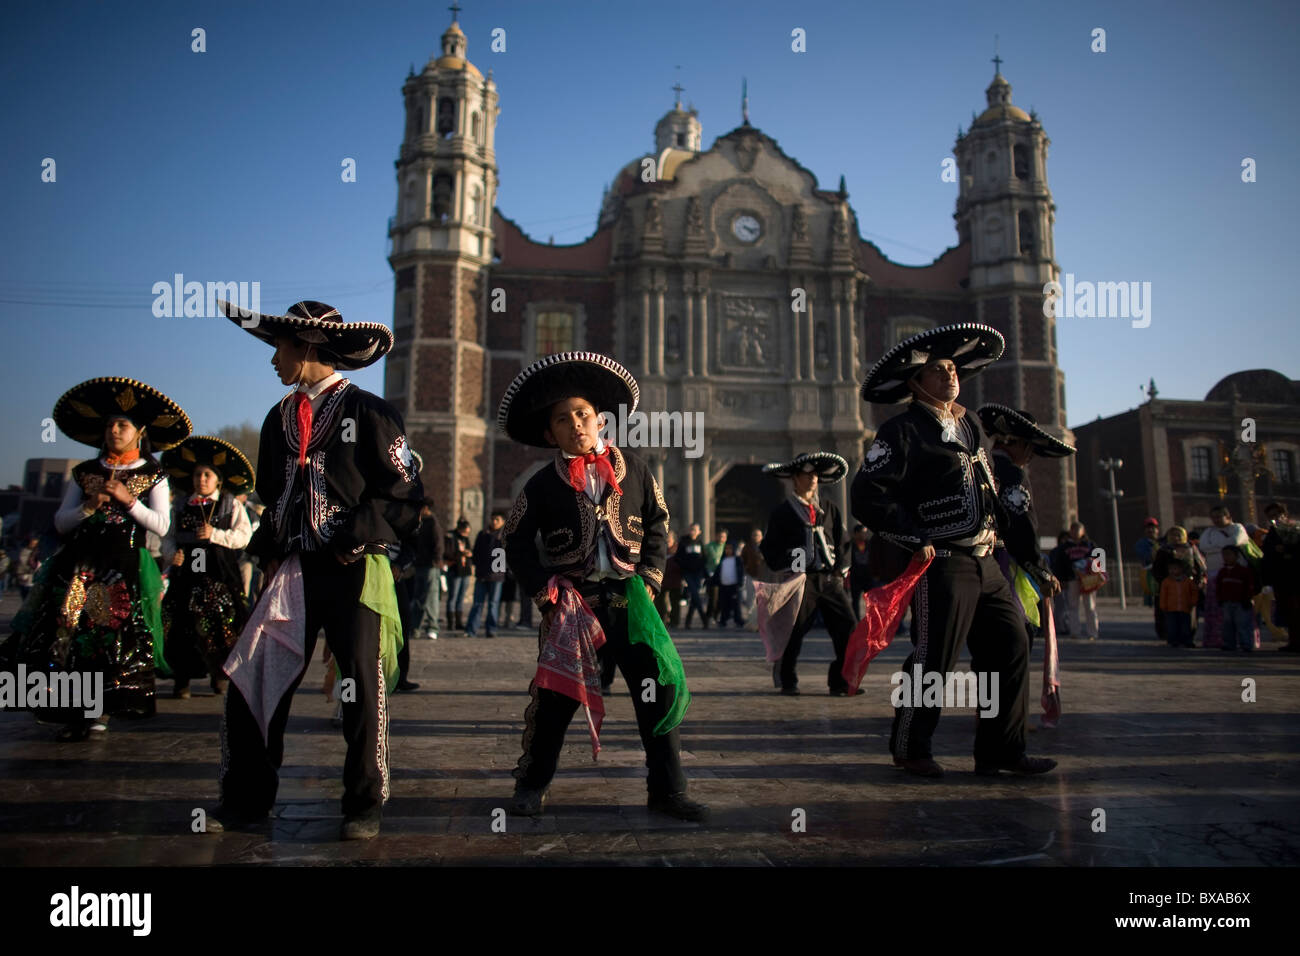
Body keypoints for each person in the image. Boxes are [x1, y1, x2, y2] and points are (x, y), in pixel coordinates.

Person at [209, 298, 423, 840]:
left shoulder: (371, 413)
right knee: (253, 676)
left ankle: (362, 804)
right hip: (294, 572)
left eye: (279, 347)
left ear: (307, 347)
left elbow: (403, 494)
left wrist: (353, 536)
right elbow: (271, 494)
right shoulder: (277, 419)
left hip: (353, 568)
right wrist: (269, 546)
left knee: (360, 684)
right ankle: (247, 798)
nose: (273, 359)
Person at [498, 350, 706, 821]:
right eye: (563, 419)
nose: (576, 424)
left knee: (657, 691)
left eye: (583, 415)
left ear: (599, 420)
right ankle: (532, 784)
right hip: (576, 605)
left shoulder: (634, 466)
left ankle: (668, 791)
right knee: (556, 700)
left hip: (631, 601)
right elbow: (514, 543)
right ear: (550, 432)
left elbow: (658, 522)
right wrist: (542, 591)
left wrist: (651, 578)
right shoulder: (539, 485)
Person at [853, 322, 1056, 777]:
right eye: (938, 370)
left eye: (953, 369)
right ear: (915, 383)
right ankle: (911, 746)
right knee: (934, 656)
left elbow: (995, 493)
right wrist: (916, 537)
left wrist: (1026, 557)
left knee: (1012, 642)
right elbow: (867, 496)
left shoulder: (973, 427)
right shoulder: (901, 431)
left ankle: (1001, 751)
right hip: (941, 562)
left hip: (987, 563)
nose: (950, 375)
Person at [0, 377, 190, 741]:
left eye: (123, 425)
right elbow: (61, 520)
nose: (114, 431)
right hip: (77, 566)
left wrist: (128, 500)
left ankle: (99, 708)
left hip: (120, 568)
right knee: (67, 633)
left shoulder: (154, 475)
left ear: (140, 432)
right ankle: (67, 709)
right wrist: (88, 506)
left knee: (106, 638)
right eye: (109, 425)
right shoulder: (85, 473)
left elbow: (162, 524)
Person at [159, 437, 255, 699]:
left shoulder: (229, 504)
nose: (201, 479)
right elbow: (166, 537)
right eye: (197, 474)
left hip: (218, 574)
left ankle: (219, 675)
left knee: (220, 625)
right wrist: (171, 554)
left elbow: (243, 536)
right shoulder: (179, 505)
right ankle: (182, 678)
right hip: (186, 574)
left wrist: (215, 534)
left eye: (207, 475)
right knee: (181, 625)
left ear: (218, 480)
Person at [760, 452, 857, 696]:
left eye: (815, 475)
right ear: (795, 478)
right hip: (801, 581)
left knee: (849, 627)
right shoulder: (783, 512)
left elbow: (843, 542)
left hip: (830, 578)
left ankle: (841, 681)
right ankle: (788, 679)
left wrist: (841, 569)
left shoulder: (830, 509)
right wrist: (790, 566)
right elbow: (770, 548)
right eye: (807, 475)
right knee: (794, 631)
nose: (813, 479)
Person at [976, 405, 1072, 647]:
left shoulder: (975, 468)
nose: (1031, 455)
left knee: (985, 646)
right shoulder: (1012, 474)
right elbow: (1021, 530)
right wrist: (1041, 571)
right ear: (1012, 441)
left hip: (970, 565)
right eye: (1029, 446)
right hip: (1001, 566)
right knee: (1012, 642)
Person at [1198, 505, 1252, 649]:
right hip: (1214, 573)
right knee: (1218, 610)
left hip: (1236, 575)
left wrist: (1215, 546)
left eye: (1219, 516)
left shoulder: (1237, 528)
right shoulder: (1208, 531)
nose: (1216, 520)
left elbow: (1235, 542)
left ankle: (1245, 641)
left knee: (1240, 613)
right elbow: (1203, 546)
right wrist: (1222, 546)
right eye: (1213, 517)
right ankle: (1220, 640)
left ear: (1228, 516)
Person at [1262, 501, 1300, 652]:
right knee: (1288, 611)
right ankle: (1294, 641)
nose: (1274, 519)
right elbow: (1267, 553)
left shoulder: (1294, 530)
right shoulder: (1272, 533)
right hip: (1280, 576)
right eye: (1271, 517)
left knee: (1297, 609)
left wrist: (1288, 549)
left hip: (1295, 576)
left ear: (1284, 514)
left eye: (1277, 515)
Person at [465, 511, 506, 638]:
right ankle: (471, 629)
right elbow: (476, 553)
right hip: (482, 574)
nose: (494, 522)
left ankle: (491, 629)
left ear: (503, 521)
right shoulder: (482, 534)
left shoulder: (505, 535)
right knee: (477, 603)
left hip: (497, 575)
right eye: (492, 519)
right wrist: (477, 566)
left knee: (493, 603)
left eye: (497, 519)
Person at [410, 497, 443, 639]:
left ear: (426, 508)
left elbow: (438, 545)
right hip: (420, 565)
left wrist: (436, 561)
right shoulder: (419, 523)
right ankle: (415, 627)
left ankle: (432, 626)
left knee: (431, 597)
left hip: (431, 566)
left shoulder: (433, 523)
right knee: (418, 598)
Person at [1062, 522, 1100, 640]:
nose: (1075, 532)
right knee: (1073, 605)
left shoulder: (1089, 545)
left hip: (1088, 579)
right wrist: (1062, 578)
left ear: (1083, 531)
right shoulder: (1066, 547)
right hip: (1072, 578)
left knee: (1090, 606)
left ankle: (1092, 632)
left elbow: (1098, 559)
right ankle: (1075, 631)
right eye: (1073, 530)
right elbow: (1061, 563)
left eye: (1077, 530)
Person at [1215, 545, 1257, 653]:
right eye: (1224, 555)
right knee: (1227, 624)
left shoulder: (1244, 571)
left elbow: (1249, 587)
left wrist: (1248, 599)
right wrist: (1220, 599)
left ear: (1236, 556)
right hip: (1226, 602)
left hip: (1241, 603)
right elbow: (1219, 587)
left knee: (1243, 624)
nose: (1226, 557)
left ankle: (1246, 644)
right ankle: (1229, 644)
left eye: (1229, 554)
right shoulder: (1222, 572)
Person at [1160, 560, 1200, 648]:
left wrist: (1193, 602)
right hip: (1171, 608)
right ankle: (1173, 641)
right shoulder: (1166, 582)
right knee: (1172, 626)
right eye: (1170, 569)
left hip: (1185, 607)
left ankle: (1187, 640)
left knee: (1186, 626)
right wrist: (1163, 606)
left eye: (1175, 569)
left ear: (1181, 569)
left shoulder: (1188, 581)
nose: (1172, 571)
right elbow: (1163, 595)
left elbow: (1194, 592)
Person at [676, 523, 709, 629]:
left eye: (695, 530)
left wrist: (703, 571)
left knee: (695, 597)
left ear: (699, 532)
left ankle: (688, 622)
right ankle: (704, 618)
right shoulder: (683, 542)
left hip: (698, 573)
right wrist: (685, 567)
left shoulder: (700, 543)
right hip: (688, 573)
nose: (693, 531)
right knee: (695, 594)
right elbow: (678, 557)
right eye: (691, 529)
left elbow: (704, 558)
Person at [444, 518, 473, 631]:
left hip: (465, 570)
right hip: (455, 570)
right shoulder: (451, 537)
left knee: (461, 597)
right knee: (453, 596)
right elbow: (447, 552)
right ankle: (451, 623)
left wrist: (470, 553)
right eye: (465, 531)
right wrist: (461, 553)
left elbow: (470, 549)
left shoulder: (465, 538)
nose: (466, 534)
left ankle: (459, 622)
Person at [713, 539, 746, 627]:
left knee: (736, 605)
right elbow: (718, 572)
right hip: (724, 586)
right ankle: (723, 620)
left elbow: (741, 572)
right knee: (724, 604)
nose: (728, 550)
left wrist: (740, 583)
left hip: (734, 586)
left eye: (730, 549)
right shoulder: (723, 560)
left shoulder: (738, 560)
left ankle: (738, 620)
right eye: (726, 549)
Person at [847, 524, 874, 619]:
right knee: (855, 601)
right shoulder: (850, 545)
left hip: (868, 577)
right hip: (855, 577)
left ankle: (870, 619)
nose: (864, 535)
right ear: (856, 533)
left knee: (871, 600)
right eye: (862, 533)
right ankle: (856, 620)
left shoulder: (869, 544)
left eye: (865, 533)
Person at [655, 530, 679, 626]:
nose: (667, 542)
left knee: (674, 601)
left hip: (674, 579)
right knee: (660, 601)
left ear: (673, 540)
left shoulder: (677, 551)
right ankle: (662, 620)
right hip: (662, 578)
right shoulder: (660, 550)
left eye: (668, 540)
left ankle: (674, 621)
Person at [704, 529, 727, 625]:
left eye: (723, 536)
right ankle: (709, 616)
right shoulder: (709, 546)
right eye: (720, 536)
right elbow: (704, 559)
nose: (721, 538)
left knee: (721, 598)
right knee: (713, 597)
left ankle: (717, 616)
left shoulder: (727, 547)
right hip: (712, 575)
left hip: (724, 575)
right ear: (716, 536)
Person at [15, 535, 41, 601]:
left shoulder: (38, 553)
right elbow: (21, 564)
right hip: (24, 577)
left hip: (32, 579)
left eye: (35, 544)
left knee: (29, 599)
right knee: (24, 597)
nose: (34, 545)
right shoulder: (25, 551)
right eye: (32, 543)